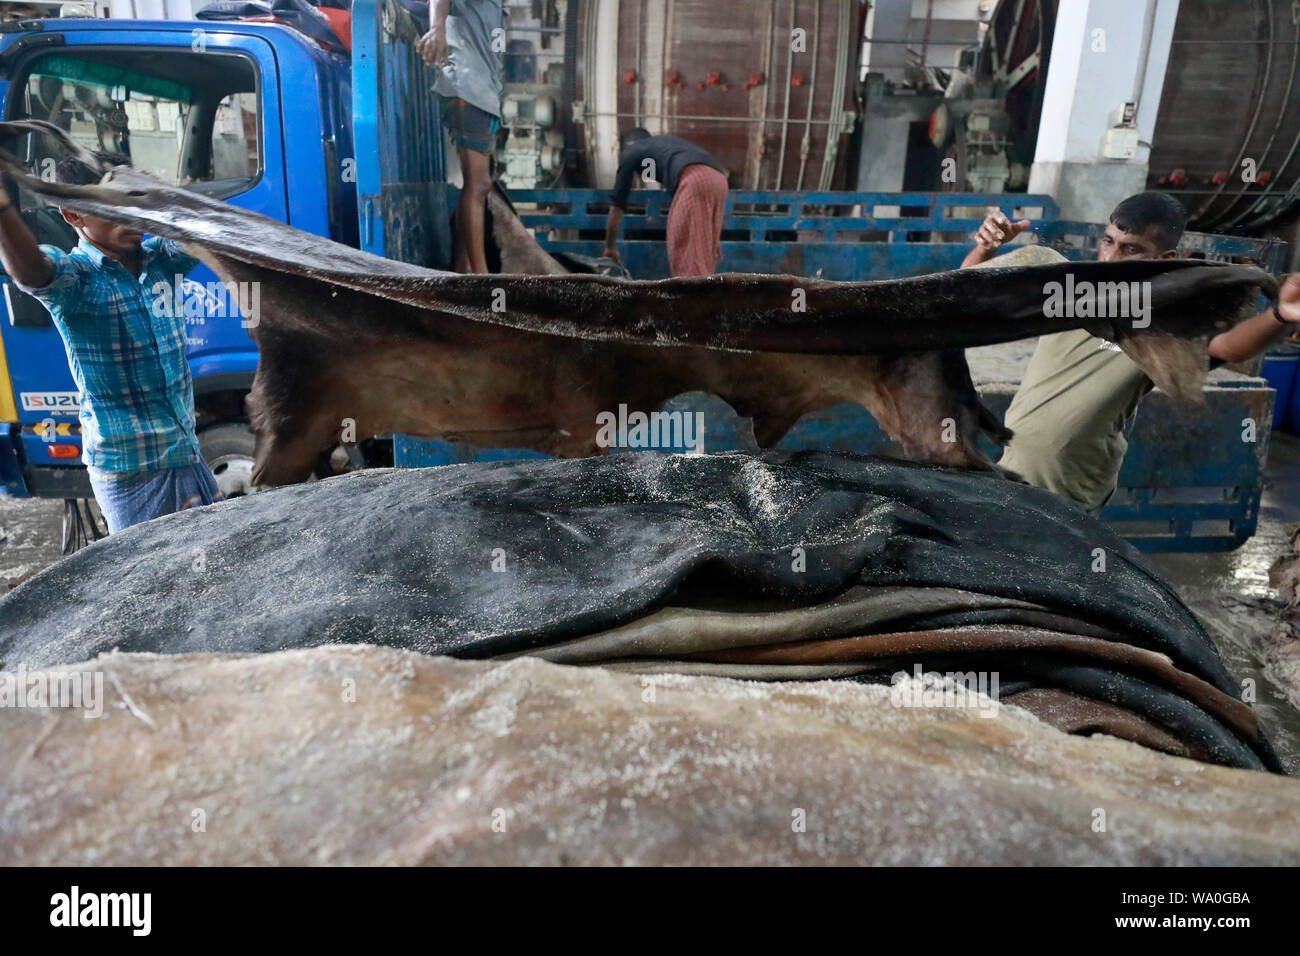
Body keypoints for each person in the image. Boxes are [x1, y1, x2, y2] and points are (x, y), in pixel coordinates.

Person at [965, 192, 1300, 513]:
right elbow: (964, 294)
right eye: (1108, 241)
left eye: (1131, 249)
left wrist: (1281, 316)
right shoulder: (1064, 291)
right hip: (1012, 472)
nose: (1110, 258)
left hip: (1071, 495)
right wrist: (985, 249)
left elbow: (1227, 347)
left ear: (1163, 259)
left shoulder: (1156, 324)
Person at [0, 157, 222, 533]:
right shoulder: (77, 281)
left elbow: (208, 228)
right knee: (151, 585)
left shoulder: (161, 262)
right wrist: (3, 212)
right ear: (73, 215)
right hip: (131, 476)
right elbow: (33, 271)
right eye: (113, 208)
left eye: (135, 204)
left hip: (188, 456)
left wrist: (162, 195)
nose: (131, 219)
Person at [418, 0, 504, 274]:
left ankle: (463, 265)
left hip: (481, 90)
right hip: (469, 87)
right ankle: (480, 275)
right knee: (479, 184)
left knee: (474, 185)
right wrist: (437, 28)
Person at [602, 128, 728, 277]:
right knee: (703, 248)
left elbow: (617, 204)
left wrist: (610, 246)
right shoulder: (665, 145)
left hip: (694, 179)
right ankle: (704, 292)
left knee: (682, 247)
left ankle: (691, 297)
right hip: (720, 180)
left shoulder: (631, 151)